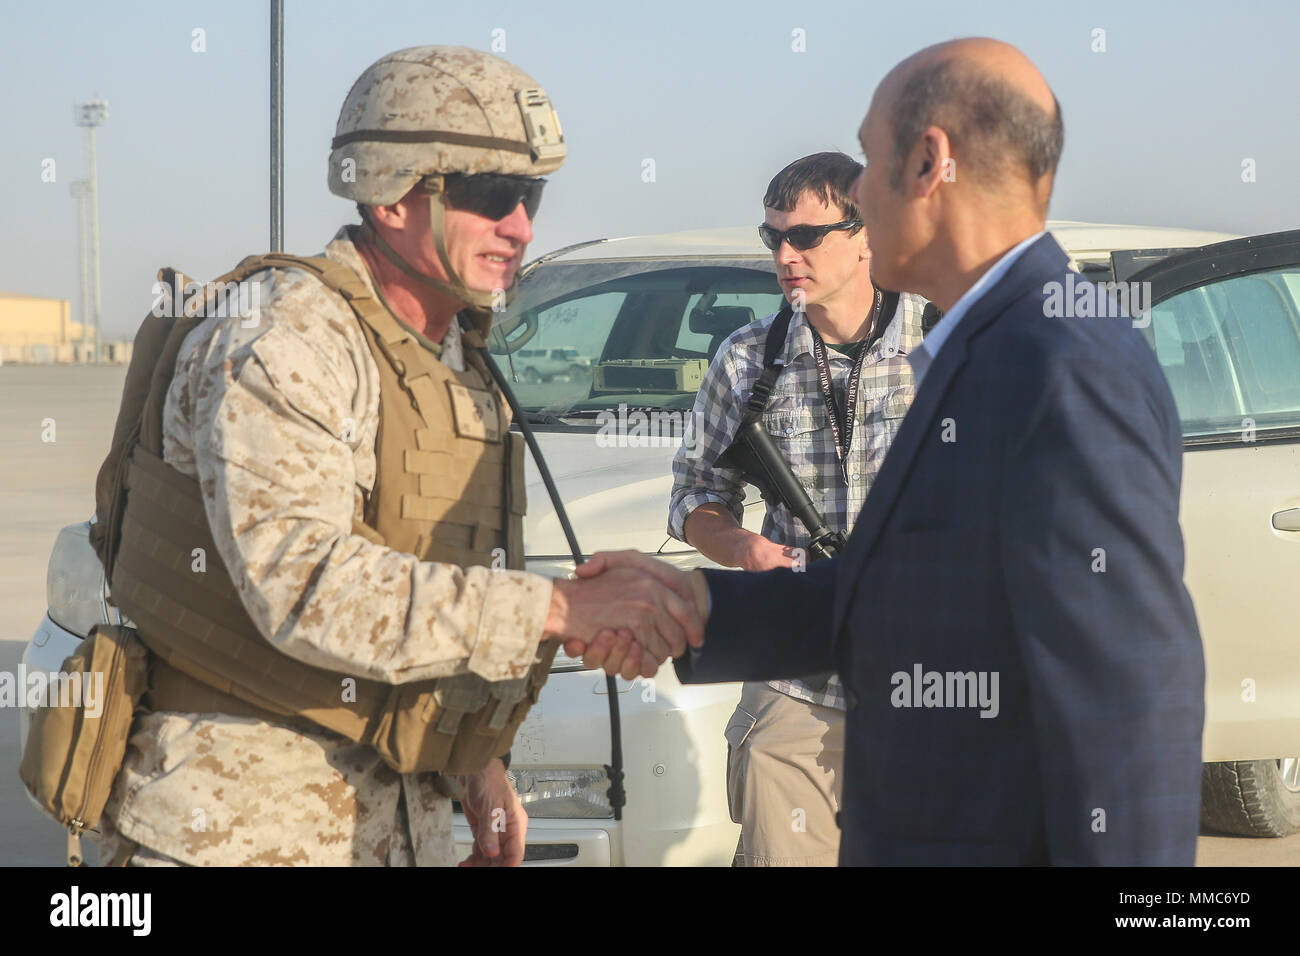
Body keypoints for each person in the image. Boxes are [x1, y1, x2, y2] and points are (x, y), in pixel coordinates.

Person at [571, 37, 1206, 866]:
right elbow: (905, 597)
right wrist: (696, 600)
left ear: (929, 164)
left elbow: (1128, 688)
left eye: (868, 162)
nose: (863, 189)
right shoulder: (990, 347)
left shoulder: (1062, 362)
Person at [93, 45, 696, 867]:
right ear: (389, 194)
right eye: (490, 195)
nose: (519, 225)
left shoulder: (443, 352)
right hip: (238, 827)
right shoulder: (288, 335)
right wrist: (557, 611)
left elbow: (411, 568)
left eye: (530, 194)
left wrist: (468, 761)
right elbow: (303, 583)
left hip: (388, 818)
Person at [666, 152, 927, 866]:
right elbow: (695, 492)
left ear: (866, 234)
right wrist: (737, 548)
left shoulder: (945, 348)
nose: (785, 256)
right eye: (773, 237)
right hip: (795, 688)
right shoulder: (747, 359)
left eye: (806, 237)